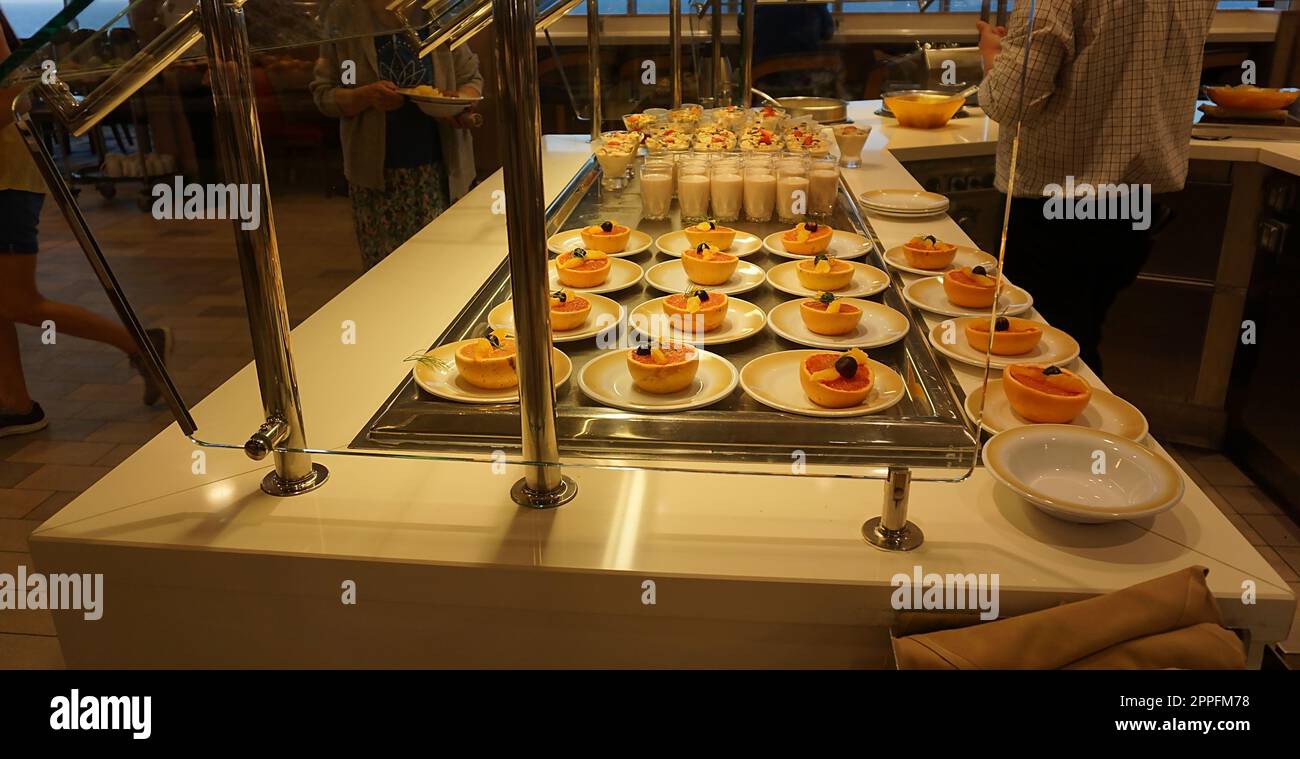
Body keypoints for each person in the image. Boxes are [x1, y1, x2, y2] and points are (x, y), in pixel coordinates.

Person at [976, 1, 1215, 374]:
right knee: (1078, 336)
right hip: (1136, 203)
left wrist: (993, 55)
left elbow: (1012, 101)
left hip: (1057, 206)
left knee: (1036, 350)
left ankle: (1051, 427)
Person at [0, 8, 171, 438]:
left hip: (6, 180)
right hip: (6, 178)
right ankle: (17, 406)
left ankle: (140, 345)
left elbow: (11, 96)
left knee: (18, 302)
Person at [311, 0, 483, 270]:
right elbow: (326, 95)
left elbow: (471, 80)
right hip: (377, 182)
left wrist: (455, 102)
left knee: (444, 271)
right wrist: (365, 96)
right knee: (386, 275)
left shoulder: (436, 9)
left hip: (442, 175)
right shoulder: (344, 14)